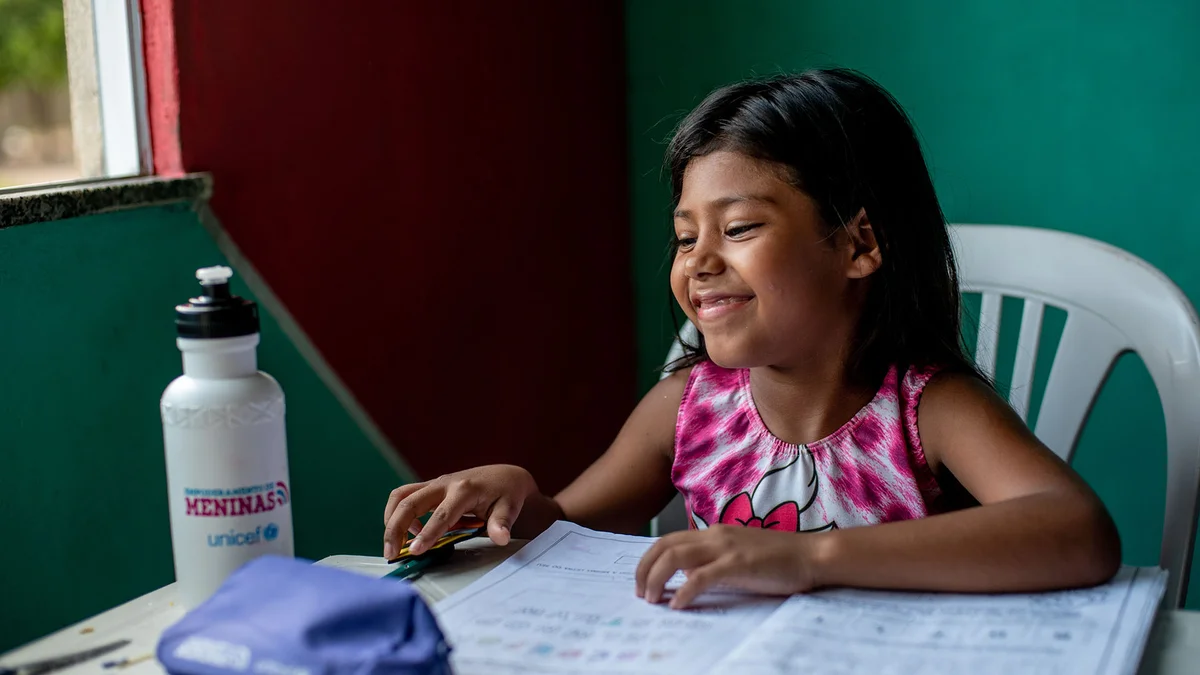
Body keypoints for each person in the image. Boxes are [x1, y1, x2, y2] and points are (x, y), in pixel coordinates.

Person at [382, 67, 1121, 609]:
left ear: (859, 243)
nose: (699, 262)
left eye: (737, 228)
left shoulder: (928, 409)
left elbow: (1078, 531)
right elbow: (569, 533)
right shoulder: (686, 408)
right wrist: (517, 501)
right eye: (683, 236)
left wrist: (809, 556)